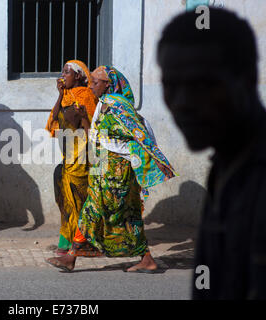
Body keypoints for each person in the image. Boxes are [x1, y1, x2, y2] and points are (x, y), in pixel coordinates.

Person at [157, 8, 266, 299]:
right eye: (171, 86)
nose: (182, 103)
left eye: (201, 85)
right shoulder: (228, 166)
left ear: (247, 78)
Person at [46, 66, 176, 272]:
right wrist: (83, 118)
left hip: (117, 170)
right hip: (105, 165)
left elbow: (139, 133)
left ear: (108, 84)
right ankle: (147, 258)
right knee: (128, 215)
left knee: (92, 209)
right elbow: (95, 137)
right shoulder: (104, 105)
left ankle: (71, 256)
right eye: (91, 82)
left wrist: (156, 159)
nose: (91, 87)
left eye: (96, 83)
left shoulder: (117, 104)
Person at [45, 60, 98, 254]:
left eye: (67, 72)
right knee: (66, 200)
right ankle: (67, 240)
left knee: (78, 201)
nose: (62, 76)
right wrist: (60, 96)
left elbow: (88, 127)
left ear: (77, 76)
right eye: (62, 72)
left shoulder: (85, 97)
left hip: (83, 159)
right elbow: (53, 122)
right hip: (68, 158)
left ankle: (80, 242)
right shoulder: (66, 97)